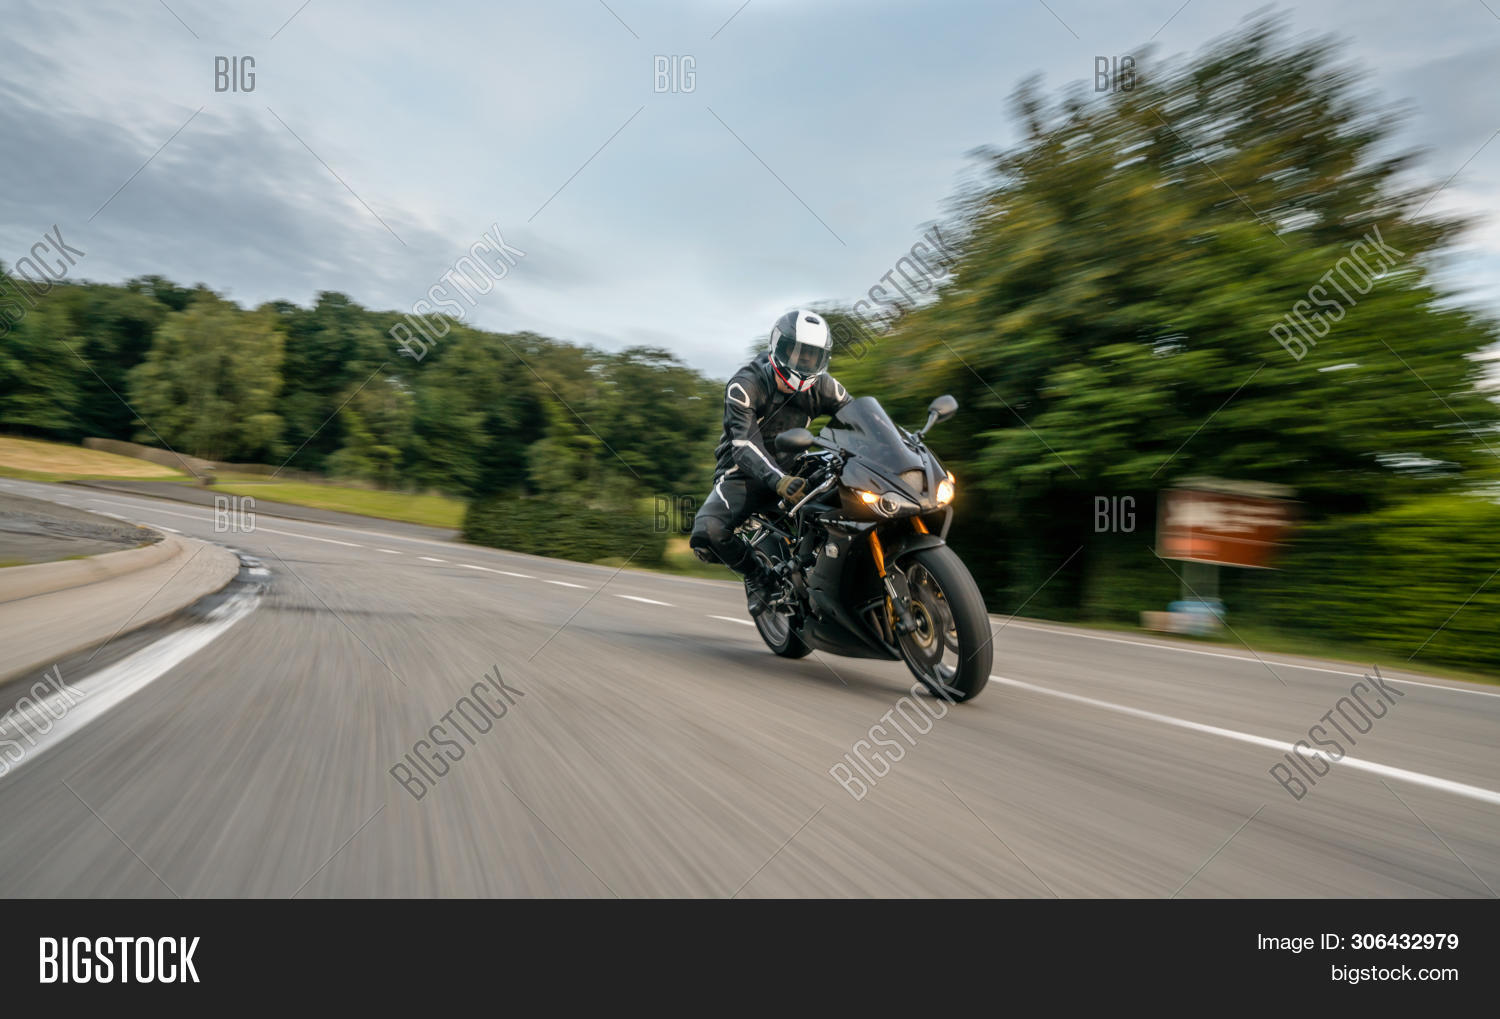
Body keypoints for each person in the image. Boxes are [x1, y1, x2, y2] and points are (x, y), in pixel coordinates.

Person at [690, 309, 852, 615]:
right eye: (797, 353)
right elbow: (744, 445)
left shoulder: (826, 386)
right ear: (778, 348)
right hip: (743, 473)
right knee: (707, 533)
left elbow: (860, 419)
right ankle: (759, 577)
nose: (804, 362)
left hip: (796, 464)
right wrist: (778, 481)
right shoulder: (745, 384)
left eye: (813, 357)